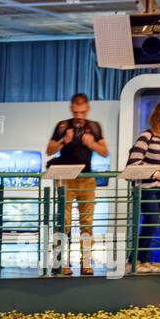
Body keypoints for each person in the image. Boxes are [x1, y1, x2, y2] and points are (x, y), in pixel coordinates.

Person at [46, 93, 108, 276]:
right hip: (65, 177)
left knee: (87, 223)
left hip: (87, 178)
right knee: (63, 223)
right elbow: (49, 150)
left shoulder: (94, 127)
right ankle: (61, 264)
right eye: (76, 111)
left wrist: (92, 144)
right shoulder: (63, 126)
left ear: (87, 108)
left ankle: (86, 263)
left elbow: (104, 152)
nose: (79, 115)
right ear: (72, 108)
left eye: (82, 111)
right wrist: (63, 141)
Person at [125, 100, 160, 274]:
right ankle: (137, 260)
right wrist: (155, 173)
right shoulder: (145, 137)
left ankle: (141, 259)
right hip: (146, 188)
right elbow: (133, 163)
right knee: (152, 222)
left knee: (151, 224)